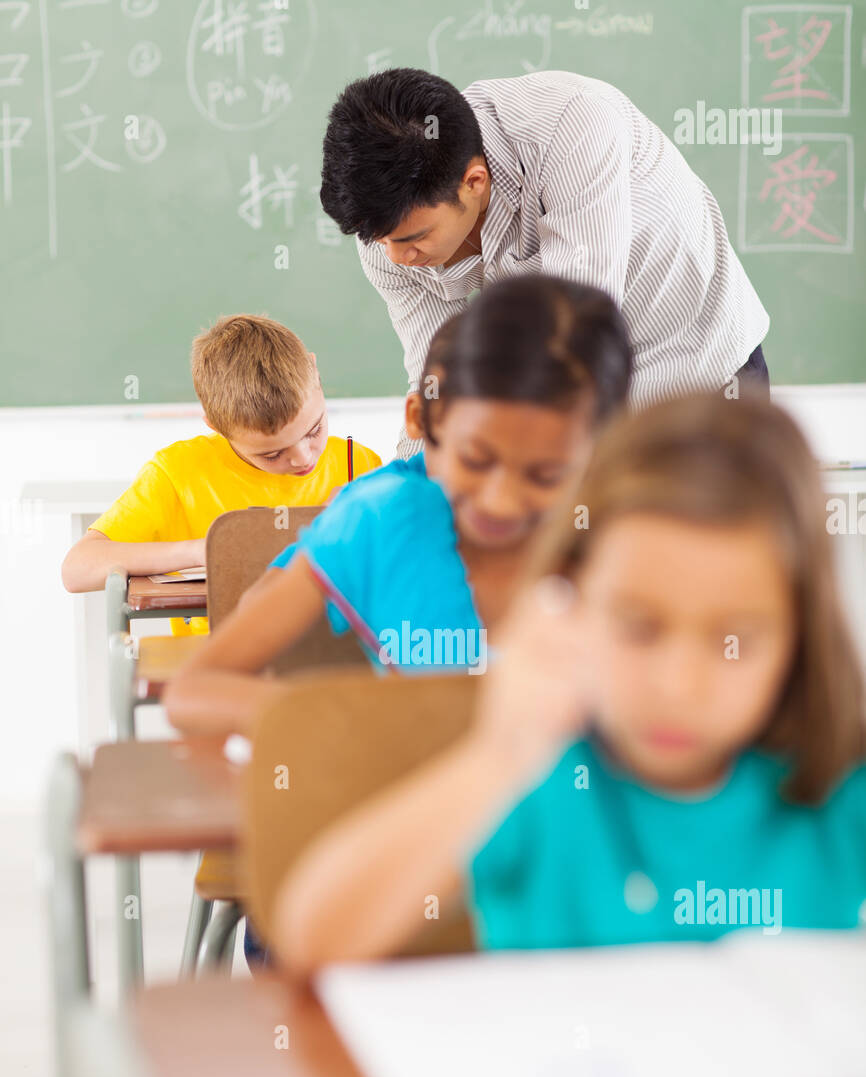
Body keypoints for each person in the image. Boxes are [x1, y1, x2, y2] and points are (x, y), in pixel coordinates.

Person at [269, 390, 866, 1077]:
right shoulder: (543, 772)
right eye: (639, 626)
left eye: (735, 640)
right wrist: (499, 752)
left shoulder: (836, 776)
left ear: (801, 635)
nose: (680, 681)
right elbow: (314, 939)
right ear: (569, 601)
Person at [164, 274, 632, 736]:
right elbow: (197, 688)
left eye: (546, 475)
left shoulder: (628, 530)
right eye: (475, 459)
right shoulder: (381, 516)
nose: (501, 502)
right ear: (421, 418)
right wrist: (363, 720)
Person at [320, 68, 770, 459]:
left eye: (414, 239)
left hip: (700, 375)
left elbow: (574, 339)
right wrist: (406, 481)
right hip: (576, 419)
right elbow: (438, 377)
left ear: (474, 182)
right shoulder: (386, 228)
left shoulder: (574, 127)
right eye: (379, 240)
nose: (396, 258)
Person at [61, 314, 381, 632]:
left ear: (316, 372)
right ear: (216, 426)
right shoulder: (181, 472)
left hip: (338, 653)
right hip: (223, 656)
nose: (303, 457)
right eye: (272, 454)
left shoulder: (358, 464)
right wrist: (204, 550)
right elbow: (76, 569)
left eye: (314, 430)